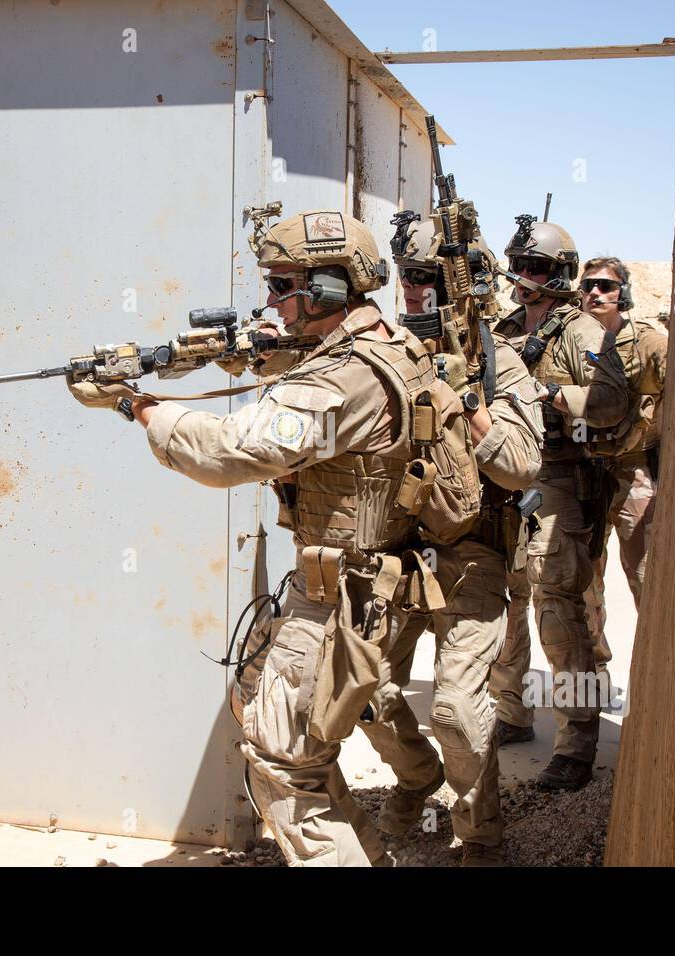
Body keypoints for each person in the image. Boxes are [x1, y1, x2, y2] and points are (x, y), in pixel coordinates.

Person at [68, 208, 471, 865]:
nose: (272, 302)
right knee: (266, 720)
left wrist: (133, 404)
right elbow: (287, 367)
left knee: (281, 764)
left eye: (283, 286)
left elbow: (230, 451)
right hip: (346, 583)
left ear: (328, 292)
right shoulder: (383, 344)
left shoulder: (343, 378)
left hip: (337, 598)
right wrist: (197, 356)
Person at [358, 213, 543, 865]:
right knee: (359, 688)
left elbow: (520, 465)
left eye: (427, 277)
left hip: (474, 560)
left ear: (461, 285)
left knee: (458, 712)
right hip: (400, 554)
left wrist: (470, 396)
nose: (411, 288)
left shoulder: (502, 364)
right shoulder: (383, 355)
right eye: (404, 275)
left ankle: (480, 836)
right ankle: (416, 780)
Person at [488, 215, 628, 791]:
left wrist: (552, 393)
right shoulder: (505, 327)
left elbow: (613, 400)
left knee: (558, 610)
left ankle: (576, 743)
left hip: (561, 481)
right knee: (504, 600)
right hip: (507, 476)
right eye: (518, 265)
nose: (524, 277)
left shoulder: (579, 333)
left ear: (560, 274)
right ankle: (512, 712)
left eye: (537, 267)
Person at [577, 256, 667, 648]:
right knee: (582, 583)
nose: (595, 293)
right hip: (584, 471)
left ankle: (657, 672)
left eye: (606, 286)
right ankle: (592, 675)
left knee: (649, 578)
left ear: (623, 294)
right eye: (589, 286)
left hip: (633, 472)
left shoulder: (647, 342)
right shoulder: (570, 340)